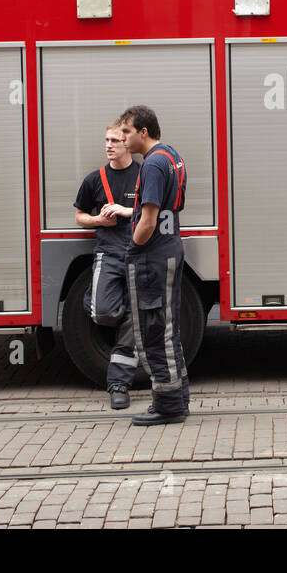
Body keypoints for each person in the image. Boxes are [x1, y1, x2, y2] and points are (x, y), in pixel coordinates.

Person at [118, 105, 191, 426]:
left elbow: (147, 221)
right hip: (169, 249)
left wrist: (132, 250)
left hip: (153, 257)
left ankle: (169, 405)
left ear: (143, 132)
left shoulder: (152, 165)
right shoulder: (171, 155)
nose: (122, 138)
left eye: (127, 132)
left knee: (153, 331)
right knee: (168, 330)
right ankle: (175, 399)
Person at [74, 122, 142, 409]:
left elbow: (161, 209)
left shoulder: (144, 174)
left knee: (134, 318)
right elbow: (79, 216)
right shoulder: (94, 179)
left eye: (115, 140)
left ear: (128, 143)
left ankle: (118, 384)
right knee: (103, 312)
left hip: (140, 256)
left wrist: (126, 211)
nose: (109, 145)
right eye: (106, 140)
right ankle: (100, 298)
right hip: (108, 254)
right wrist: (98, 221)